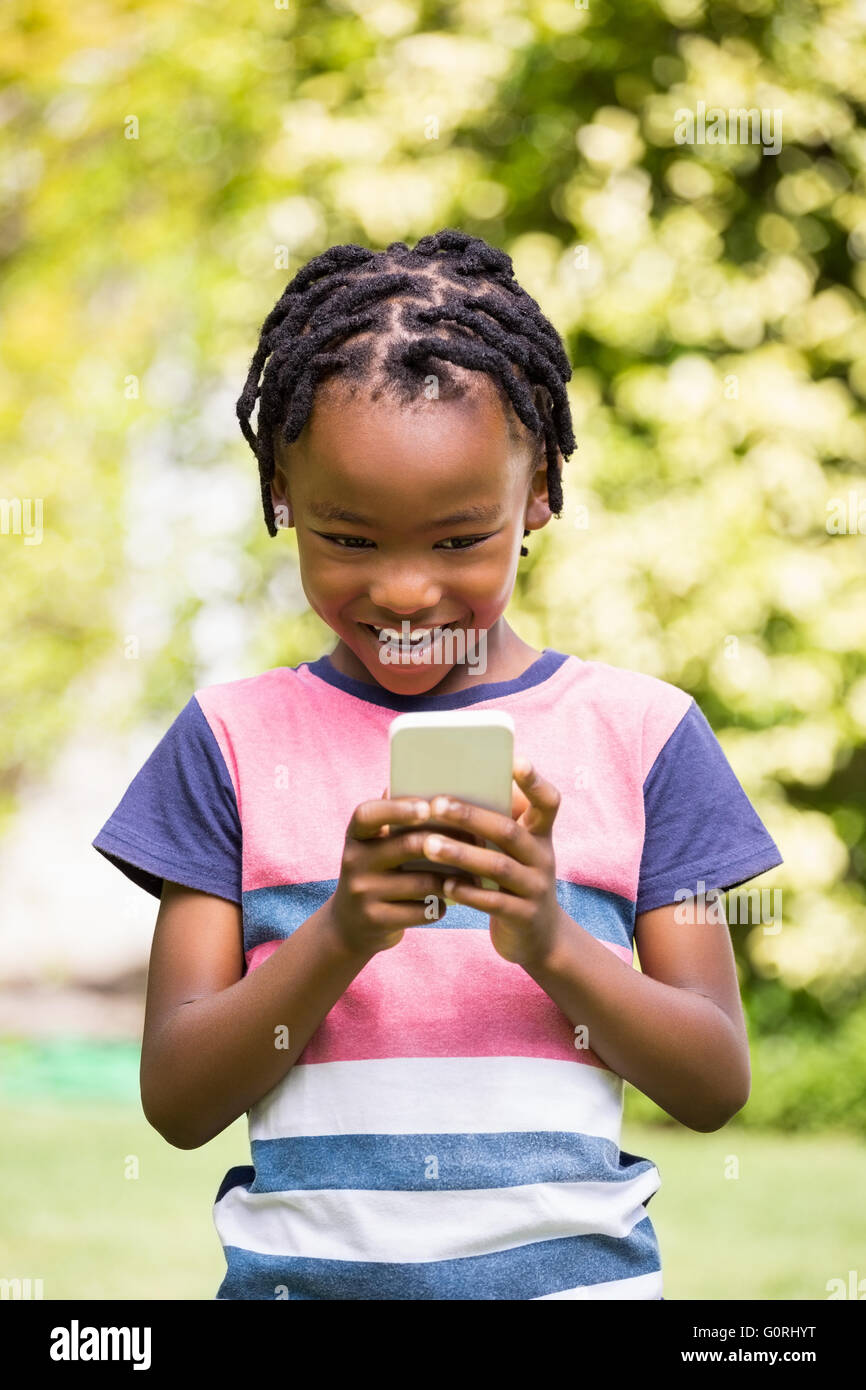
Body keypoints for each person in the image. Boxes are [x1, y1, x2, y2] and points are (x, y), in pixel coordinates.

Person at [92, 228, 783, 1300]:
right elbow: (179, 1102)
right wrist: (340, 932)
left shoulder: (644, 736)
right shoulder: (227, 743)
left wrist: (552, 941)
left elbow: (709, 1083)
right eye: (351, 540)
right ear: (280, 495)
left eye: (459, 540)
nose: (407, 592)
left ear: (538, 491)